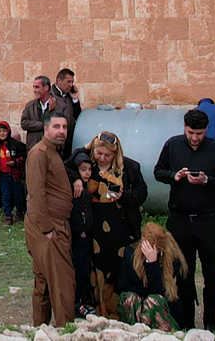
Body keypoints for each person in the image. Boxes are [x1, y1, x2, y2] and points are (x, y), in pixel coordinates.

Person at [152, 107, 215, 329]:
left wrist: (207, 180)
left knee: (213, 275)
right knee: (182, 272)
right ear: (184, 129)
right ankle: (185, 324)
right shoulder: (173, 145)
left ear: (206, 131)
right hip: (180, 220)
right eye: (191, 133)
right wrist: (173, 176)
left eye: (200, 134)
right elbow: (158, 171)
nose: (195, 138)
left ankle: (212, 324)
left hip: (209, 220)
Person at [82, 130, 145, 319]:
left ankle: (119, 313)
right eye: (98, 153)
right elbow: (70, 161)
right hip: (95, 229)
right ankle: (98, 310)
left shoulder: (130, 168)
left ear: (115, 153)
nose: (102, 158)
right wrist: (86, 148)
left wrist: (124, 196)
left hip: (121, 229)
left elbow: (142, 195)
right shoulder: (87, 166)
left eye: (107, 155)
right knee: (96, 271)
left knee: (119, 270)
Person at [24, 113, 76, 325]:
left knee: (44, 282)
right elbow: (36, 193)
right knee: (62, 283)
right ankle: (65, 330)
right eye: (56, 126)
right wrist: (47, 229)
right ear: (46, 129)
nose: (61, 131)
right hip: (48, 227)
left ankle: (41, 330)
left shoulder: (53, 152)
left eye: (64, 127)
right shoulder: (40, 153)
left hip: (53, 224)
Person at [116, 222, 192, 329]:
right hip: (139, 310)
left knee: (153, 300)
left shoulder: (173, 259)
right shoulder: (130, 253)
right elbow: (123, 287)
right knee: (130, 298)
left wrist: (152, 264)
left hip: (164, 316)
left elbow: (160, 294)